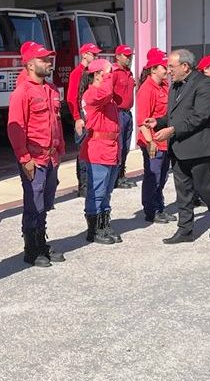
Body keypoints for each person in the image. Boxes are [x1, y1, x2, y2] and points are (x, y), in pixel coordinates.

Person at [146, 49, 210, 243]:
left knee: (205, 190)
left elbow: (200, 117)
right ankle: (185, 231)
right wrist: (158, 122)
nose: (168, 71)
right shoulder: (175, 86)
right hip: (179, 148)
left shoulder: (205, 83)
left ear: (185, 66)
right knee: (183, 192)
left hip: (200, 148)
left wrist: (172, 130)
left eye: (171, 67)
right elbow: (174, 115)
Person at [7, 41, 66, 266]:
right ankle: (31, 249)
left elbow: (57, 123)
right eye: (44, 60)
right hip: (35, 159)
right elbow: (15, 128)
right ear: (30, 65)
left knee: (45, 203)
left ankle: (41, 242)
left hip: (51, 158)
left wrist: (60, 149)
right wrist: (25, 158)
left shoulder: (51, 90)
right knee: (34, 205)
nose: (49, 63)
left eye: (48, 59)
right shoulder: (22, 92)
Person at [80, 58, 123, 244]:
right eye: (107, 74)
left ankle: (103, 224)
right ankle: (94, 229)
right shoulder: (92, 94)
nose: (111, 77)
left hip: (111, 148)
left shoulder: (107, 97)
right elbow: (105, 92)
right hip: (98, 149)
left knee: (106, 191)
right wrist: (107, 76)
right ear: (97, 75)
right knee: (97, 191)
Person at [135, 50, 175, 224]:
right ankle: (151, 210)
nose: (167, 70)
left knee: (163, 176)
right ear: (153, 69)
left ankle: (159, 206)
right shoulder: (147, 89)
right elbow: (142, 120)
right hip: (153, 142)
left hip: (164, 141)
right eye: (164, 67)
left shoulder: (164, 86)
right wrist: (150, 142)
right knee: (153, 177)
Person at [66, 43, 100, 196]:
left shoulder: (92, 73)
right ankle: (83, 185)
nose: (96, 57)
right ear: (84, 54)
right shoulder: (77, 73)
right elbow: (71, 98)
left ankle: (90, 183)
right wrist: (77, 117)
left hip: (91, 115)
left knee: (92, 150)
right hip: (82, 115)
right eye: (93, 54)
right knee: (83, 151)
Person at [111, 45, 137, 189]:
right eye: (126, 56)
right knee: (119, 146)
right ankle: (116, 177)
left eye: (130, 55)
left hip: (127, 113)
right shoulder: (114, 72)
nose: (129, 58)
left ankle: (121, 174)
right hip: (118, 113)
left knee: (125, 146)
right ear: (118, 56)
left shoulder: (128, 72)